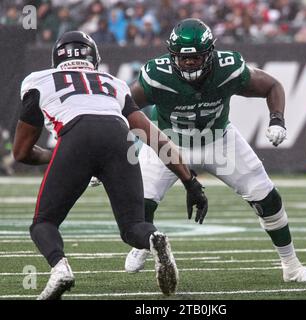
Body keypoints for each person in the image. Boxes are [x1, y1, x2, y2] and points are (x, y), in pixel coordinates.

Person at [124, 18, 306, 283]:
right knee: (141, 203)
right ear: (172, 56)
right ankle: (143, 244)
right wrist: (111, 147)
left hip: (219, 139)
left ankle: (292, 265)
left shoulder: (228, 68)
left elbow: (272, 85)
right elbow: (124, 108)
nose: (189, 63)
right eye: (183, 59)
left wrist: (277, 119)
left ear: (210, 53)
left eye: (195, 57)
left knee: (268, 198)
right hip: (169, 142)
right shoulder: (157, 75)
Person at [12, 31, 208, 300]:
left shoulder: (37, 80)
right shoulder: (113, 83)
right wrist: (190, 182)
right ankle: (154, 239)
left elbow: (22, 152)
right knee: (133, 226)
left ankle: (60, 269)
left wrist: (63, 155)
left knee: (44, 223)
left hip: (75, 134)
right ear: (94, 57)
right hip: (119, 137)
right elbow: (153, 137)